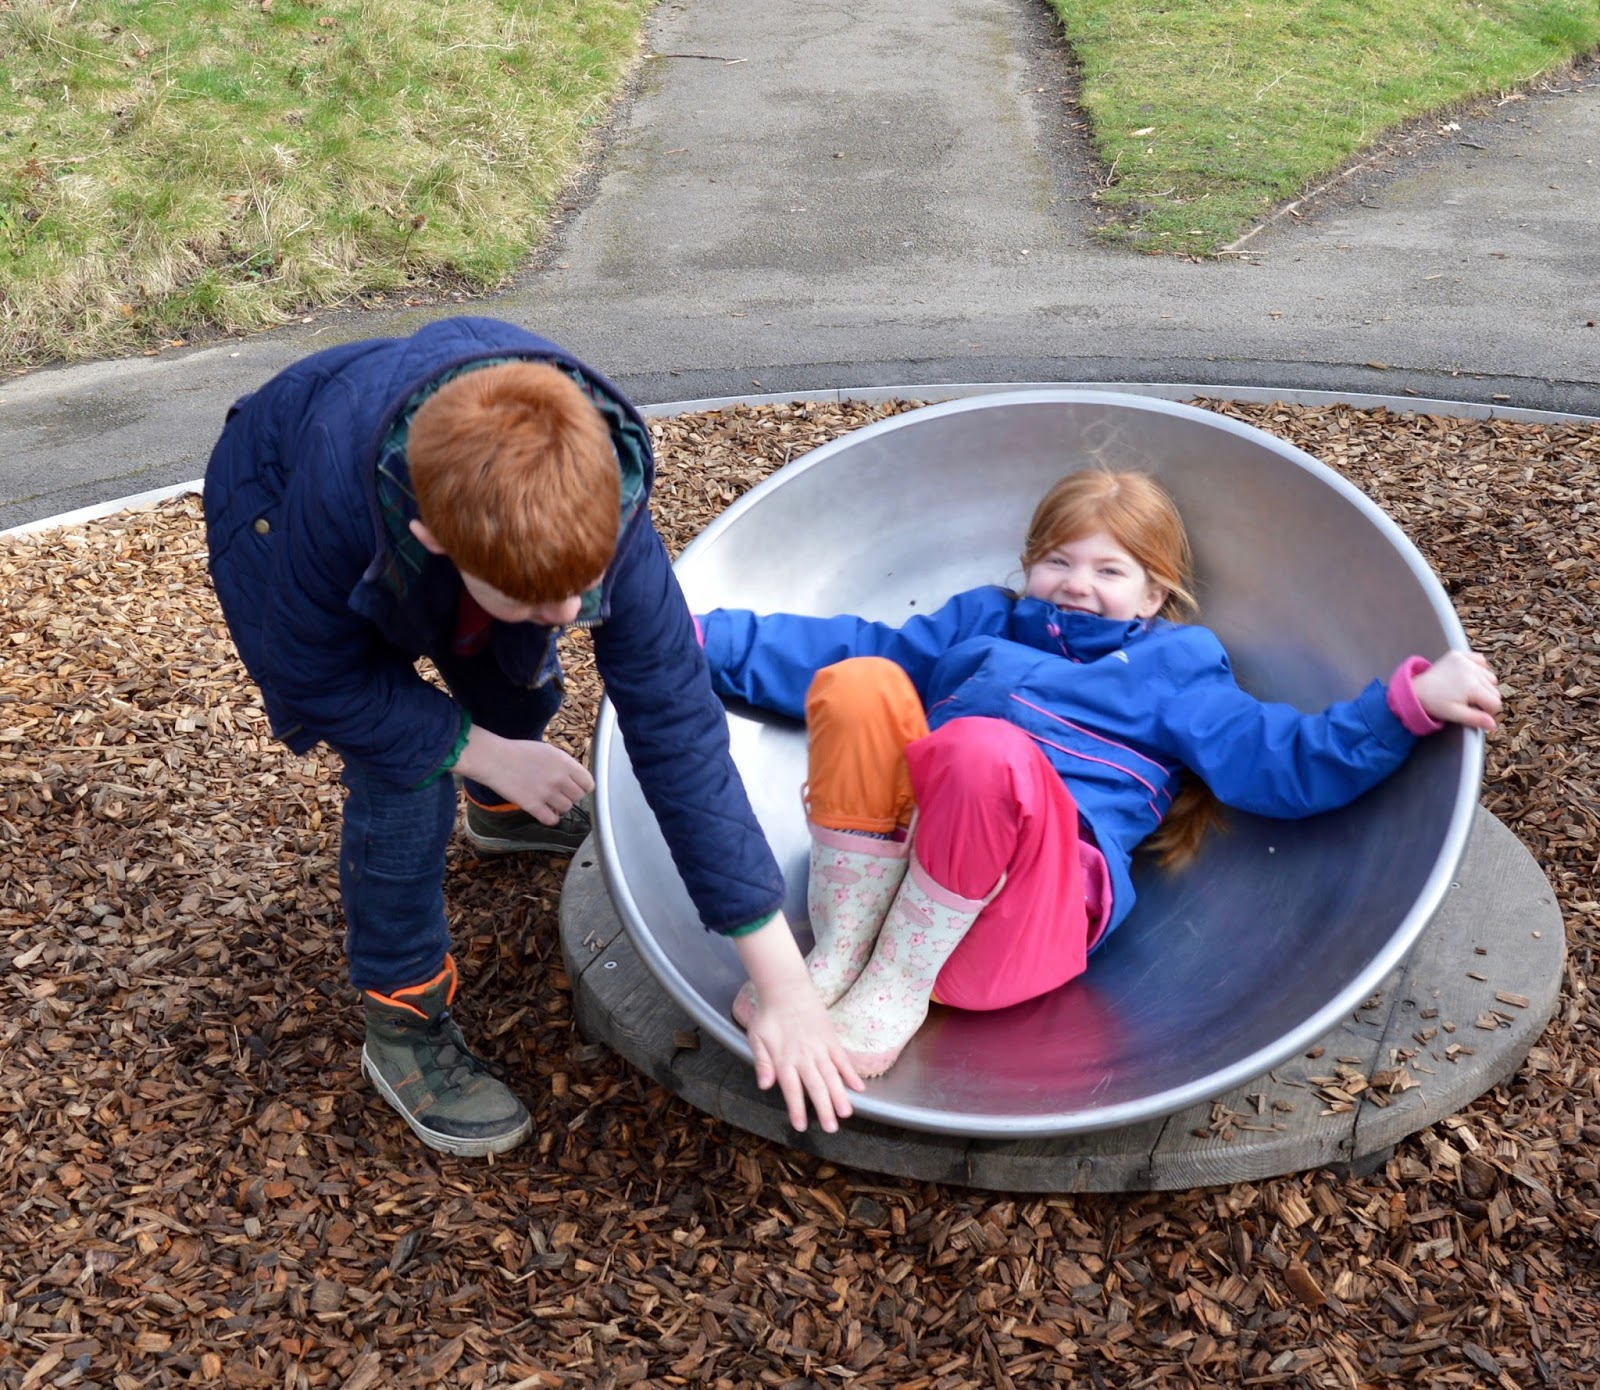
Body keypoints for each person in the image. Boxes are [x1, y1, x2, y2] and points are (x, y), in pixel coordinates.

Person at [203, 316, 862, 1156]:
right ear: (437, 543)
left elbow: (675, 723)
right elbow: (315, 677)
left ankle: (500, 812)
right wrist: (473, 748)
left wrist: (784, 986)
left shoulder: (592, 486)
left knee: (510, 664)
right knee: (402, 778)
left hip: (435, 506)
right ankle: (403, 1022)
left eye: (583, 589)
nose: (568, 617)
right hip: (279, 499)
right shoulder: (331, 505)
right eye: (535, 596)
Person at [698, 469, 1502, 1078]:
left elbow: (1280, 760)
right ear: (1028, 566)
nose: (1078, 583)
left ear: (1155, 593)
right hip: (894, 877)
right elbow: (839, 647)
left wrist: (1406, 707)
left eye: (1110, 570)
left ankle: (898, 982)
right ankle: (840, 954)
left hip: (1018, 926)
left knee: (985, 751)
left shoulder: (1176, 672)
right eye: (1057, 560)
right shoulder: (983, 625)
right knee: (861, 682)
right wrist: (692, 637)